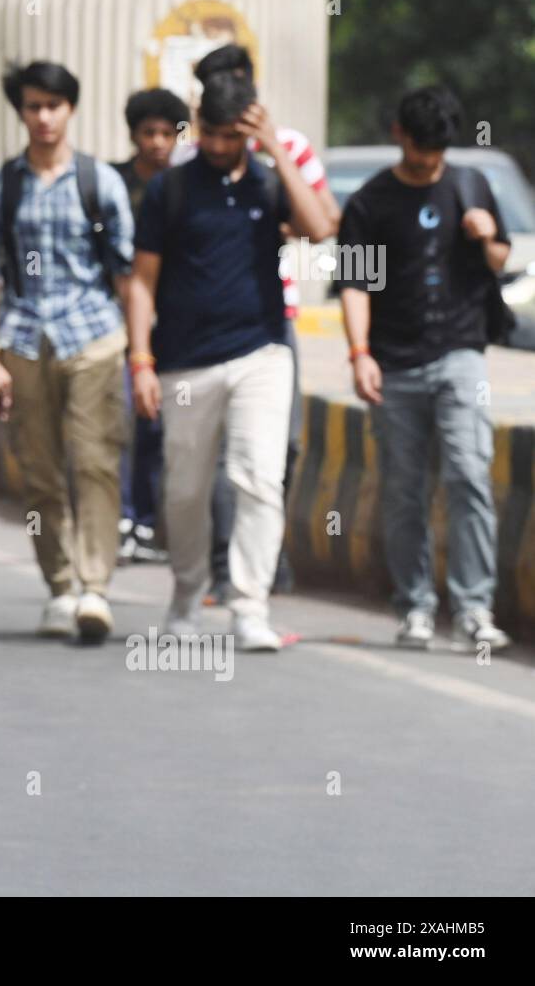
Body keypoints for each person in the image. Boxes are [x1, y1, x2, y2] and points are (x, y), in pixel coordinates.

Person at [127, 70, 331, 651]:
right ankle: (188, 595)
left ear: (250, 129)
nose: (217, 147)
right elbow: (142, 283)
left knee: (259, 479)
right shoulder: (172, 189)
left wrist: (274, 150)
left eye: (229, 136)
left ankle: (249, 606)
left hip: (262, 352)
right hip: (184, 363)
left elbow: (318, 228)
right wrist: (140, 359)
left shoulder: (270, 184)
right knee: (187, 490)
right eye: (210, 134)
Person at [336, 85, 511, 650]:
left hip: (461, 351)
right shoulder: (370, 203)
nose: (429, 163)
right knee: (404, 489)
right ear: (399, 136)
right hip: (395, 361)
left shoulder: (469, 184)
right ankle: (415, 606)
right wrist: (359, 354)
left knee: (468, 474)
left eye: (438, 153)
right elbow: (357, 285)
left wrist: (488, 239)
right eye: (420, 151)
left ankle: (474, 607)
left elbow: (501, 259)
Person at [0, 61, 134, 644]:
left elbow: (129, 273)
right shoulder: (3, 185)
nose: (44, 117)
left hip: (93, 337)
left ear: (71, 109)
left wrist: (141, 352)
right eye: (33, 106)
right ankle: (61, 587)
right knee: (40, 473)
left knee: (95, 461)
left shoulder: (100, 181)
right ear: (22, 113)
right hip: (24, 340)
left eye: (54, 105)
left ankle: (95, 587)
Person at [176, 45, 341, 603]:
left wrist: (271, 153)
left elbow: (325, 219)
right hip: (203, 327)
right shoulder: (190, 158)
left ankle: (264, 552)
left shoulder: (288, 147)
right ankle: (225, 568)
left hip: (274, 321)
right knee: (222, 455)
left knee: (282, 446)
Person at [111, 89, 190, 564]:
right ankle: (122, 519)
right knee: (123, 419)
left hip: (177, 324)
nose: (158, 142)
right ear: (134, 135)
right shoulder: (114, 183)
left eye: (168, 133)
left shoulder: (187, 185)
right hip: (119, 323)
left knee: (160, 427)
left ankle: (145, 521)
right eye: (149, 133)